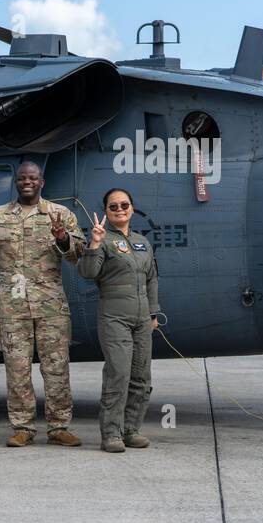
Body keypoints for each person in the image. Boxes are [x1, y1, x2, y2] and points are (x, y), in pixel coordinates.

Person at [0, 162, 85, 448]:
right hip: (12, 309)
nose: (27, 182)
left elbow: (78, 253)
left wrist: (62, 238)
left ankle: (59, 427)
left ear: (41, 182)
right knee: (17, 369)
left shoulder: (60, 214)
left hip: (50, 308)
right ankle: (22, 427)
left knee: (56, 369)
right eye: (22, 178)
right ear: (16, 183)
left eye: (32, 178)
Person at [78, 188, 161, 453]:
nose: (119, 209)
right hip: (115, 317)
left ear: (132, 209)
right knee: (119, 374)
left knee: (141, 376)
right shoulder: (102, 239)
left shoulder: (141, 242)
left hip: (141, 318)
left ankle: (131, 429)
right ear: (106, 212)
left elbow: (151, 279)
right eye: (113, 207)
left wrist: (153, 313)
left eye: (124, 205)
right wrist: (94, 243)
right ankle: (111, 433)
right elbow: (88, 272)